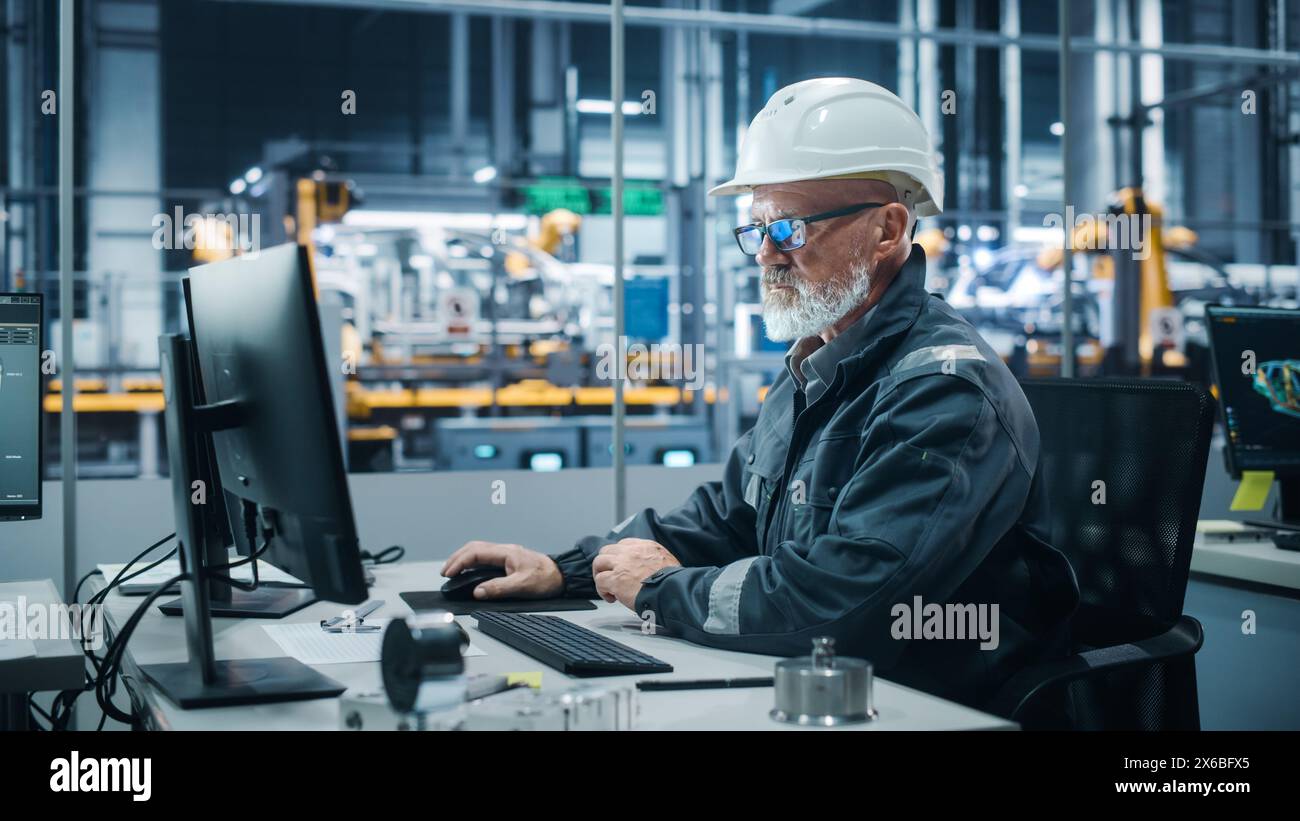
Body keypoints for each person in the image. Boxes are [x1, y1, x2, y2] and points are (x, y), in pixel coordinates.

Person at [443, 77, 1078, 707]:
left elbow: (841, 602)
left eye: (791, 230)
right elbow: (727, 520)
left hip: (928, 707)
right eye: (757, 230)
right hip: (823, 694)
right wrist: (570, 571)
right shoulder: (817, 367)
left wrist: (661, 590)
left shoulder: (943, 391)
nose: (766, 257)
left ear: (887, 230)